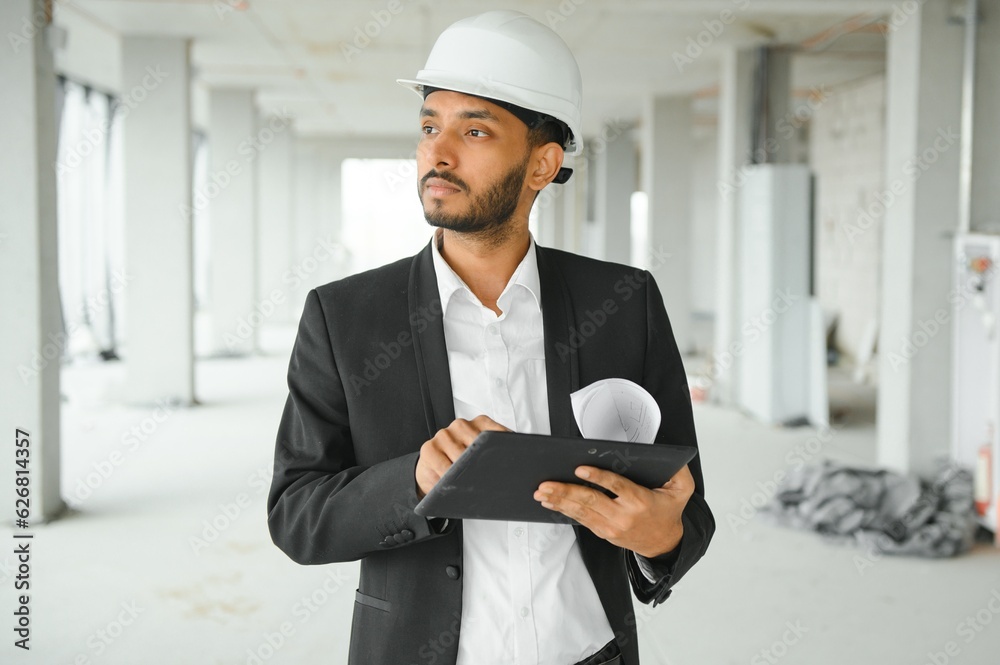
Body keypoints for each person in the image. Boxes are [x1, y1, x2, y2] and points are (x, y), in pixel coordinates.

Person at [267, 10, 714, 665]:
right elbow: (297, 514)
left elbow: (685, 505)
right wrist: (414, 479)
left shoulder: (624, 302)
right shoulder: (345, 317)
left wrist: (660, 537)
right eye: (429, 126)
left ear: (543, 164)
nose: (438, 153)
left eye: (474, 129)